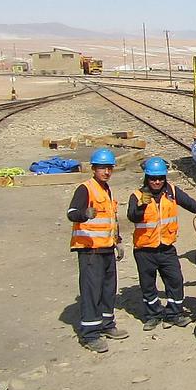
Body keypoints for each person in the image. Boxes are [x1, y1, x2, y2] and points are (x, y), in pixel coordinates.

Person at [126, 157, 196, 331]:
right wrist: (141, 206)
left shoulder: (171, 192)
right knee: (148, 285)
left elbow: (189, 203)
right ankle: (153, 315)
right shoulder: (137, 196)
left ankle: (174, 314)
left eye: (160, 178)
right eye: (153, 178)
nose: (157, 181)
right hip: (144, 250)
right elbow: (132, 216)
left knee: (175, 280)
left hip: (166, 248)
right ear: (147, 178)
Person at [66, 148, 129, 353]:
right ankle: (90, 334)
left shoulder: (106, 190)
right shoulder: (85, 189)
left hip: (106, 248)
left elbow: (111, 219)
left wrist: (117, 241)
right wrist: (84, 213)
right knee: (91, 292)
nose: (106, 172)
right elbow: (72, 213)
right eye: (102, 168)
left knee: (108, 290)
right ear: (94, 168)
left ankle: (107, 325)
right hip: (90, 250)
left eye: (109, 168)